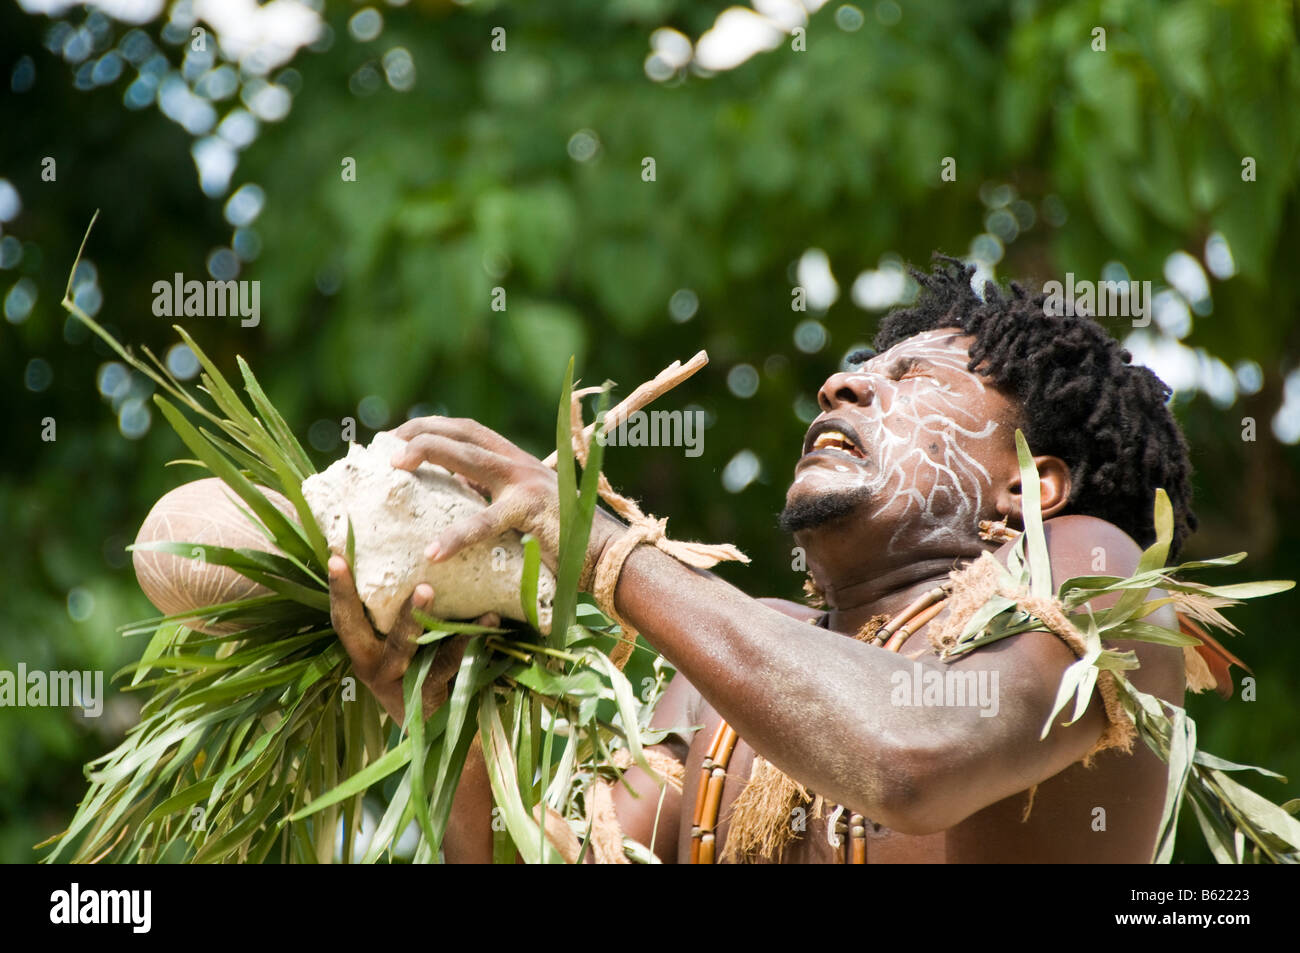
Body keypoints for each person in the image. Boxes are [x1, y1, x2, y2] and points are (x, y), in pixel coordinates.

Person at [328, 258, 1196, 863]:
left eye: (917, 378)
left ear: (1030, 488)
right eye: (862, 367)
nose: (844, 384)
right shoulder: (719, 678)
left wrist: (606, 551)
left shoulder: (1096, 571)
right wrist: (457, 743)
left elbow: (915, 756)